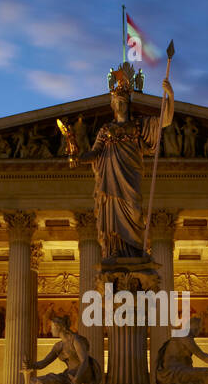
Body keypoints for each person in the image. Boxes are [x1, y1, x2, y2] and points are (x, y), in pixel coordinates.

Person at [61, 59, 174, 259]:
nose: (120, 105)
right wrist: (80, 157)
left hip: (131, 178)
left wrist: (170, 95)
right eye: (117, 103)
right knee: (112, 222)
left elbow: (164, 121)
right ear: (113, 106)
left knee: (134, 211)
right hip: (111, 183)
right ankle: (115, 253)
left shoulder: (139, 126)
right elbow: (95, 153)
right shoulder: (106, 130)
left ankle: (134, 254)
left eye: (123, 102)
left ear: (127, 105)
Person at [21, 314, 99, 384]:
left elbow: (85, 361)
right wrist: (31, 365)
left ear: (59, 327)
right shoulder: (59, 346)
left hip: (79, 377)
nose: (50, 329)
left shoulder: (75, 340)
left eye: (52, 326)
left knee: (41, 383)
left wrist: (77, 379)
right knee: (34, 383)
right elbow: (43, 363)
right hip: (67, 376)